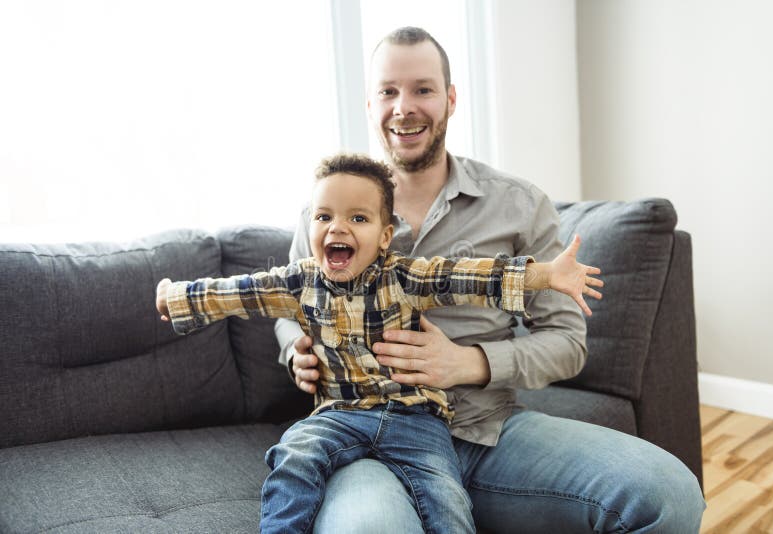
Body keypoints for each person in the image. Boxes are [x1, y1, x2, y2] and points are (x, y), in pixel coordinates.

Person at [276, 27, 706, 533]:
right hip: (365, 444)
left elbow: (568, 343)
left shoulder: (518, 206)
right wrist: (295, 350)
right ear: (370, 104)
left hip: (488, 435)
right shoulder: (325, 213)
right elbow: (287, 309)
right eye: (388, 91)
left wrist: (468, 363)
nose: (404, 107)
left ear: (451, 99)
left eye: (423, 89)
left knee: (670, 495)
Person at [155, 153, 603, 534]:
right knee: (294, 450)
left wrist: (545, 275)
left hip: (416, 420)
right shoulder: (298, 282)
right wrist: (176, 297)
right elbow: (237, 292)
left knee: (445, 500)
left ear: (385, 236)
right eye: (324, 216)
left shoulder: (405, 276)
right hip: (341, 416)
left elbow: (475, 277)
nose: (338, 228)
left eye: (358, 218)